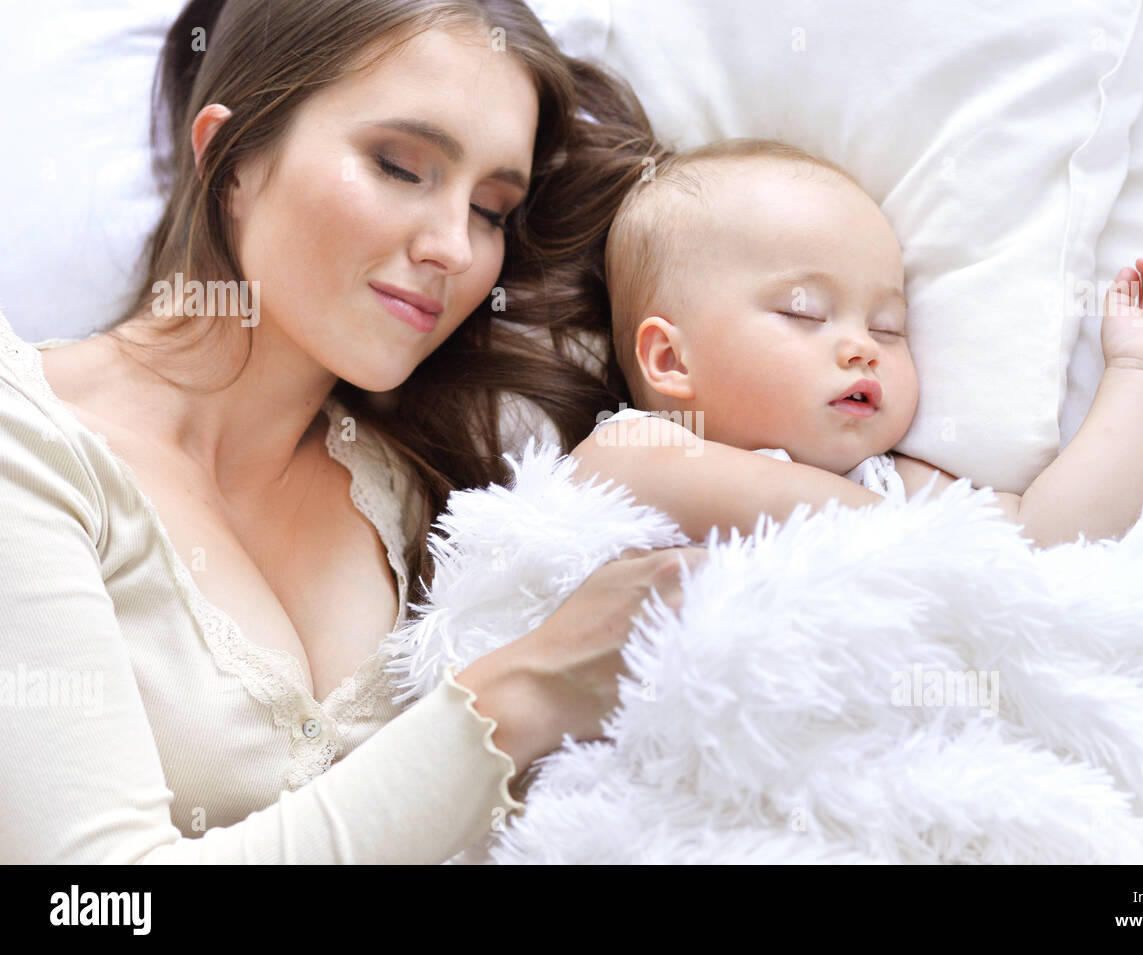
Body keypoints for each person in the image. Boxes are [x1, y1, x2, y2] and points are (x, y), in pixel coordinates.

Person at [0, 0, 704, 863]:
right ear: (230, 156)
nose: (454, 245)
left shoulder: (425, 488)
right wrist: (520, 691)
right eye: (401, 165)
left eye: (490, 209)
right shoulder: (27, 441)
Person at [570, 139, 1143, 549]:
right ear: (670, 359)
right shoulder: (628, 454)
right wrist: (946, 542)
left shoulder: (893, 482)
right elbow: (887, 537)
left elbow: (1054, 542)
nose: (863, 347)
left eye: (887, 326)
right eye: (805, 312)